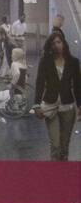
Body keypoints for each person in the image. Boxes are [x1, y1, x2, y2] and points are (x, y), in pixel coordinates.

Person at [34, 31, 81, 161]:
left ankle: (62, 170)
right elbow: (40, 83)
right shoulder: (45, 61)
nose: (56, 45)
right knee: (55, 145)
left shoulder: (73, 62)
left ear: (64, 43)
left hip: (68, 107)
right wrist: (36, 105)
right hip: (50, 106)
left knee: (64, 146)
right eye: (53, 43)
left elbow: (77, 85)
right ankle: (54, 171)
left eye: (59, 42)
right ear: (50, 46)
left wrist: (80, 105)